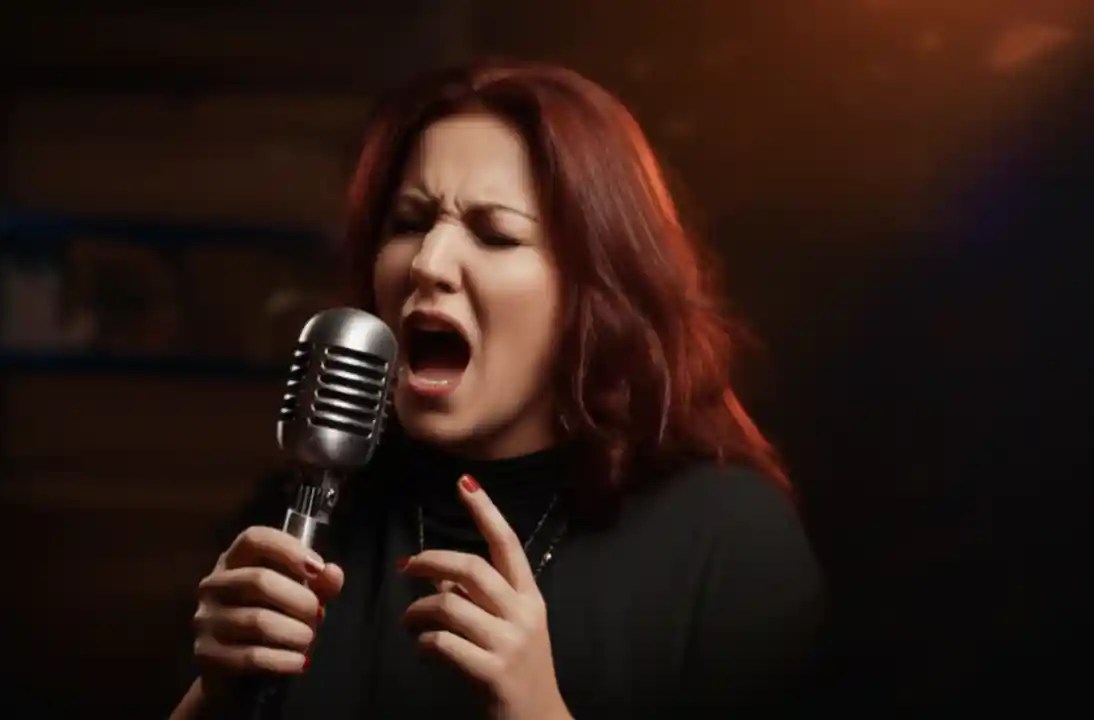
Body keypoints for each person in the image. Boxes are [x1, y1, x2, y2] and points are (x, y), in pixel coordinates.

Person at [169, 59, 826, 719]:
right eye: (409, 222)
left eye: (495, 234)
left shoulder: (730, 542)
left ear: (594, 290)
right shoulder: (300, 514)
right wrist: (213, 696)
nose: (428, 263)